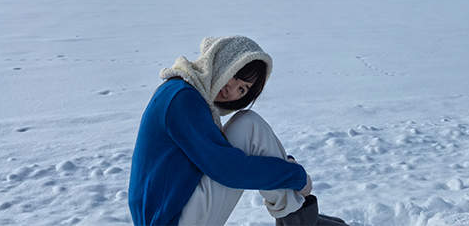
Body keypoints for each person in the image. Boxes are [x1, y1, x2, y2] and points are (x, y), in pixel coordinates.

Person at [128, 35, 349, 226]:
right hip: (169, 220)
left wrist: (282, 168)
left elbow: (222, 156)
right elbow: (228, 169)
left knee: (247, 126)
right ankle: (299, 219)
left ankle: (299, 219)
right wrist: (295, 176)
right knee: (249, 126)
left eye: (242, 89)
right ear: (222, 62)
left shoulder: (184, 92)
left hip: (171, 214)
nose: (232, 90)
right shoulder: (182, 98)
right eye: (234, 75)